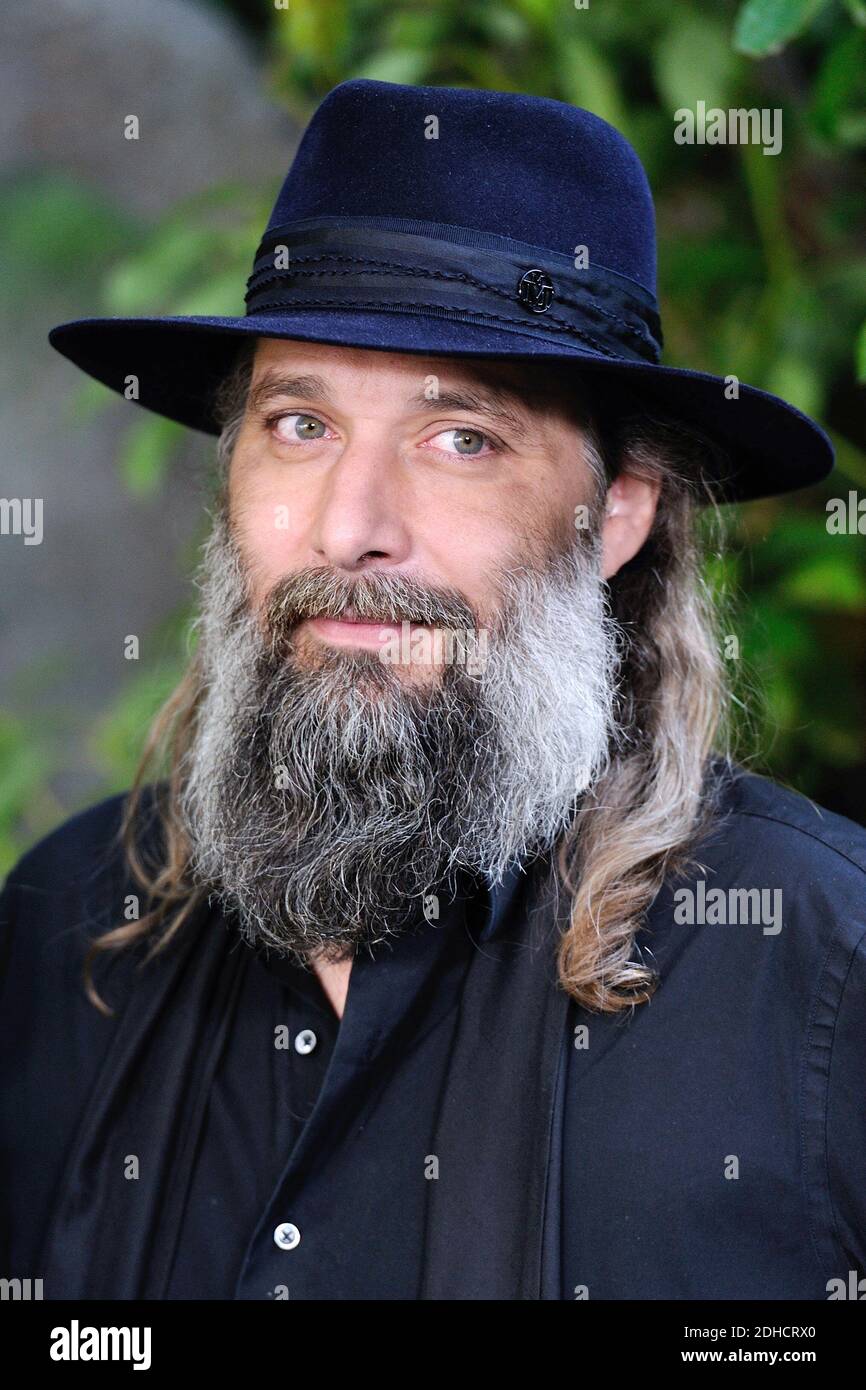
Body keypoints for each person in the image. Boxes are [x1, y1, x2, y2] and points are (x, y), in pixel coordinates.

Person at [2, 79, 864, 1301]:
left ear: (614, 514)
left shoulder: (821, 971)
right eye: (298, 424)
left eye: (461, 437)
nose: (350, 528)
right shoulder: (60, 922)